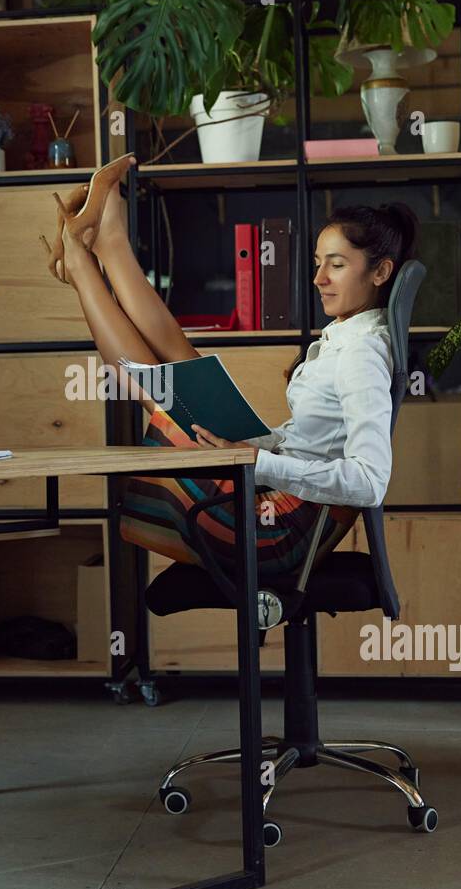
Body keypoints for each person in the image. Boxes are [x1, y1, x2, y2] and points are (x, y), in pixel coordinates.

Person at [40, 153, 419, 581]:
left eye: (337, 265)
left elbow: (369, 482)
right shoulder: (349, 336)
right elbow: (311, 445)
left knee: (167, 399)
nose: (319, 279)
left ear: (381, 272)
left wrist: (258, 460)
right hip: (278, 501)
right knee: (187, 372)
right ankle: (110, 244)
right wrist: (255, 441)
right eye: (318, 263)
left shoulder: (362, 353)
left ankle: (82, 264)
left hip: (280, 531)